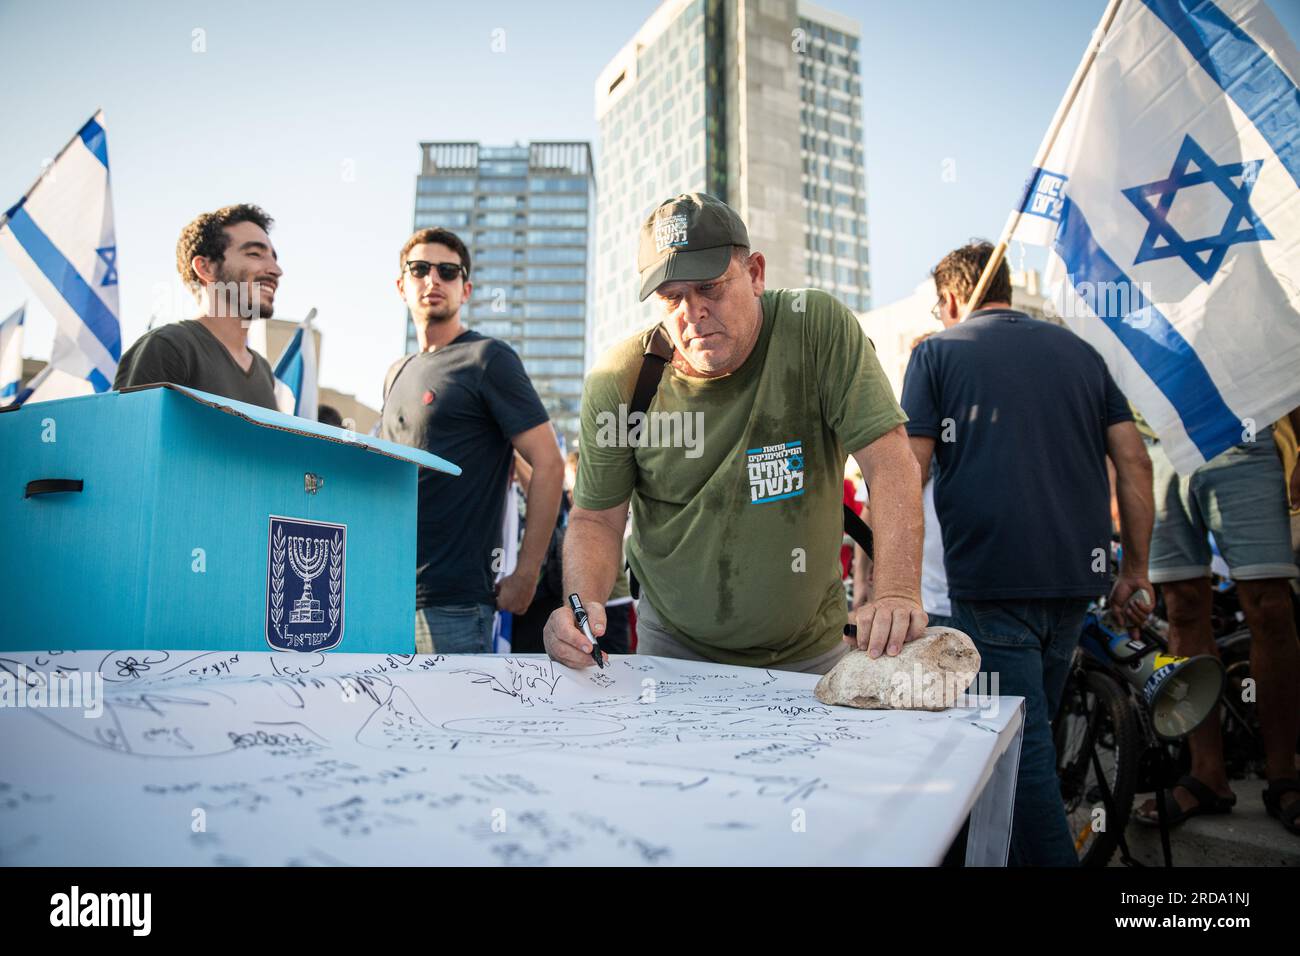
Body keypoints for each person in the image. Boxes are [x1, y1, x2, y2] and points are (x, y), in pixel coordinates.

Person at [543, 192, 926, 673]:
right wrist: (579, 606)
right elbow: (596, 520)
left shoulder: (816, 330)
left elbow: (889, 461)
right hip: (674, 655)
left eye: (710, 287)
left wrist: (895, 591)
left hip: (811, 653)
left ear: (756, 274)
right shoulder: (621, 380)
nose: (693, 312)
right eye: (672, 297)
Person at [901, 240, 1154, 866]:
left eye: (939, 306)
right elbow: (1135, 461)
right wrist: (1137, 571)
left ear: (953, 297)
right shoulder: (1081, 353)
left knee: (1018, 750)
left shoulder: (935, 353)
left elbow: (908, 471)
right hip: (1077, 581)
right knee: (1023, 737)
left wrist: (893, 581)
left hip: (990, 579)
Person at [381, 227, 563, 654]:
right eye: (420, 269)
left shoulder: (488, 358)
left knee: (445, 722)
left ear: (466, 289)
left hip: (456, 604)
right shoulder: (396, 372)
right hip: (383, 592)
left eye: (448, 271)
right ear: (401, 285)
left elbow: (549, 464)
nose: (433, 280)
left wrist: (526, 574)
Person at [1133, 406, 1300, 836]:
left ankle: (1285, 774)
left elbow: (1284, 352)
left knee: (1269, 606)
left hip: (1242, 437)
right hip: (1157, 444)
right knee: (1183, 607)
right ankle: (1207, 775)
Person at [114, 204, 281, 408]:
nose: (276, 270)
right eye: (255, 253)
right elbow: (134, 436)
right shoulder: (167, 347)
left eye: (274, 258)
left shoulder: (264, 372)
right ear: (206, 267)